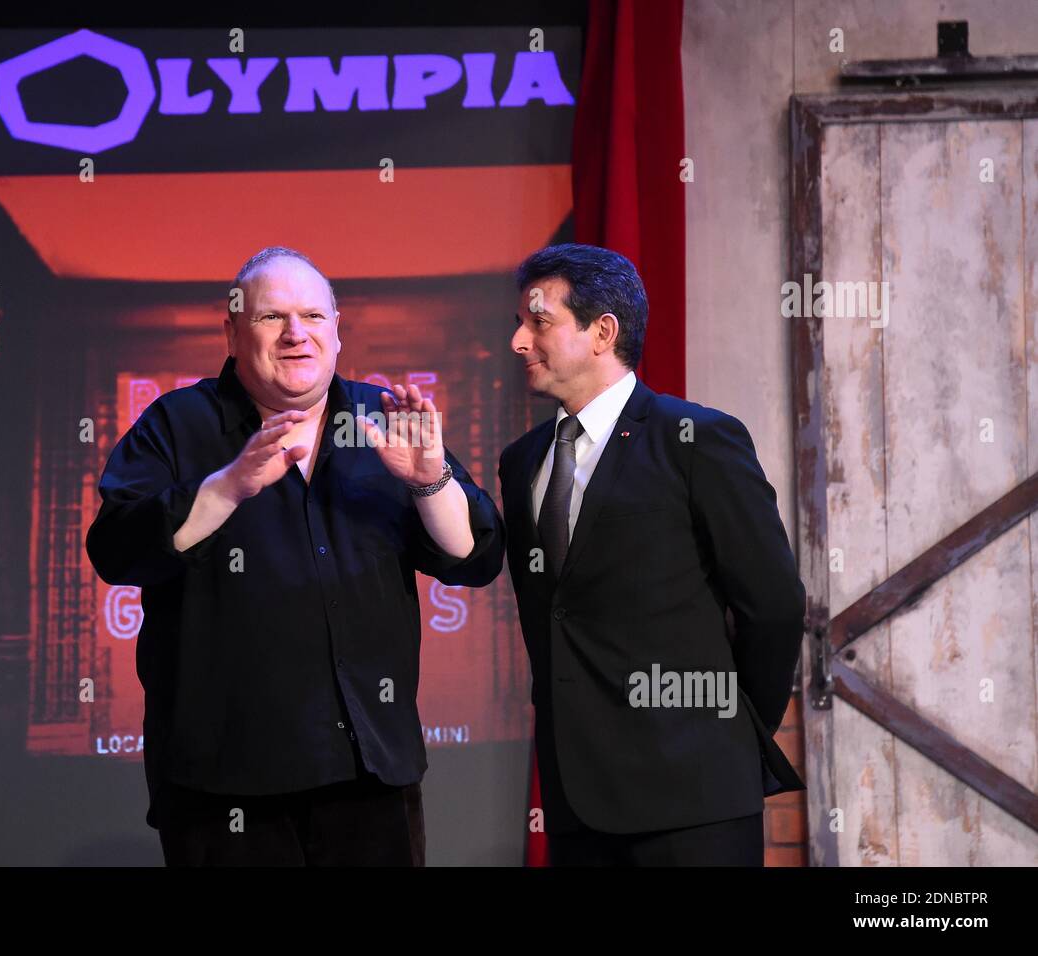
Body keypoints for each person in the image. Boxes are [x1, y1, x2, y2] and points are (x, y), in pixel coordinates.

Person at [85, 246, 504, 866]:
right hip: (225, 785)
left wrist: (429, 481)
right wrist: (226, 487)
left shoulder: (381, 420)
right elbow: (117, 551)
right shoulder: (177, 425)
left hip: (370, 773)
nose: (295, 335)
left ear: (338, 330)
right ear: (231, 331)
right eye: (270, 317)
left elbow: (474, 557)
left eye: (312, 316)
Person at [499, 243, 806, 866]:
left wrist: (731, 728)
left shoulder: (696, 438)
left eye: (539, 322)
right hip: (576, 804)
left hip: (696, 797)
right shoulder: (521, 461)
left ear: (602, 332)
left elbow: (772, 605)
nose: (518, 342)